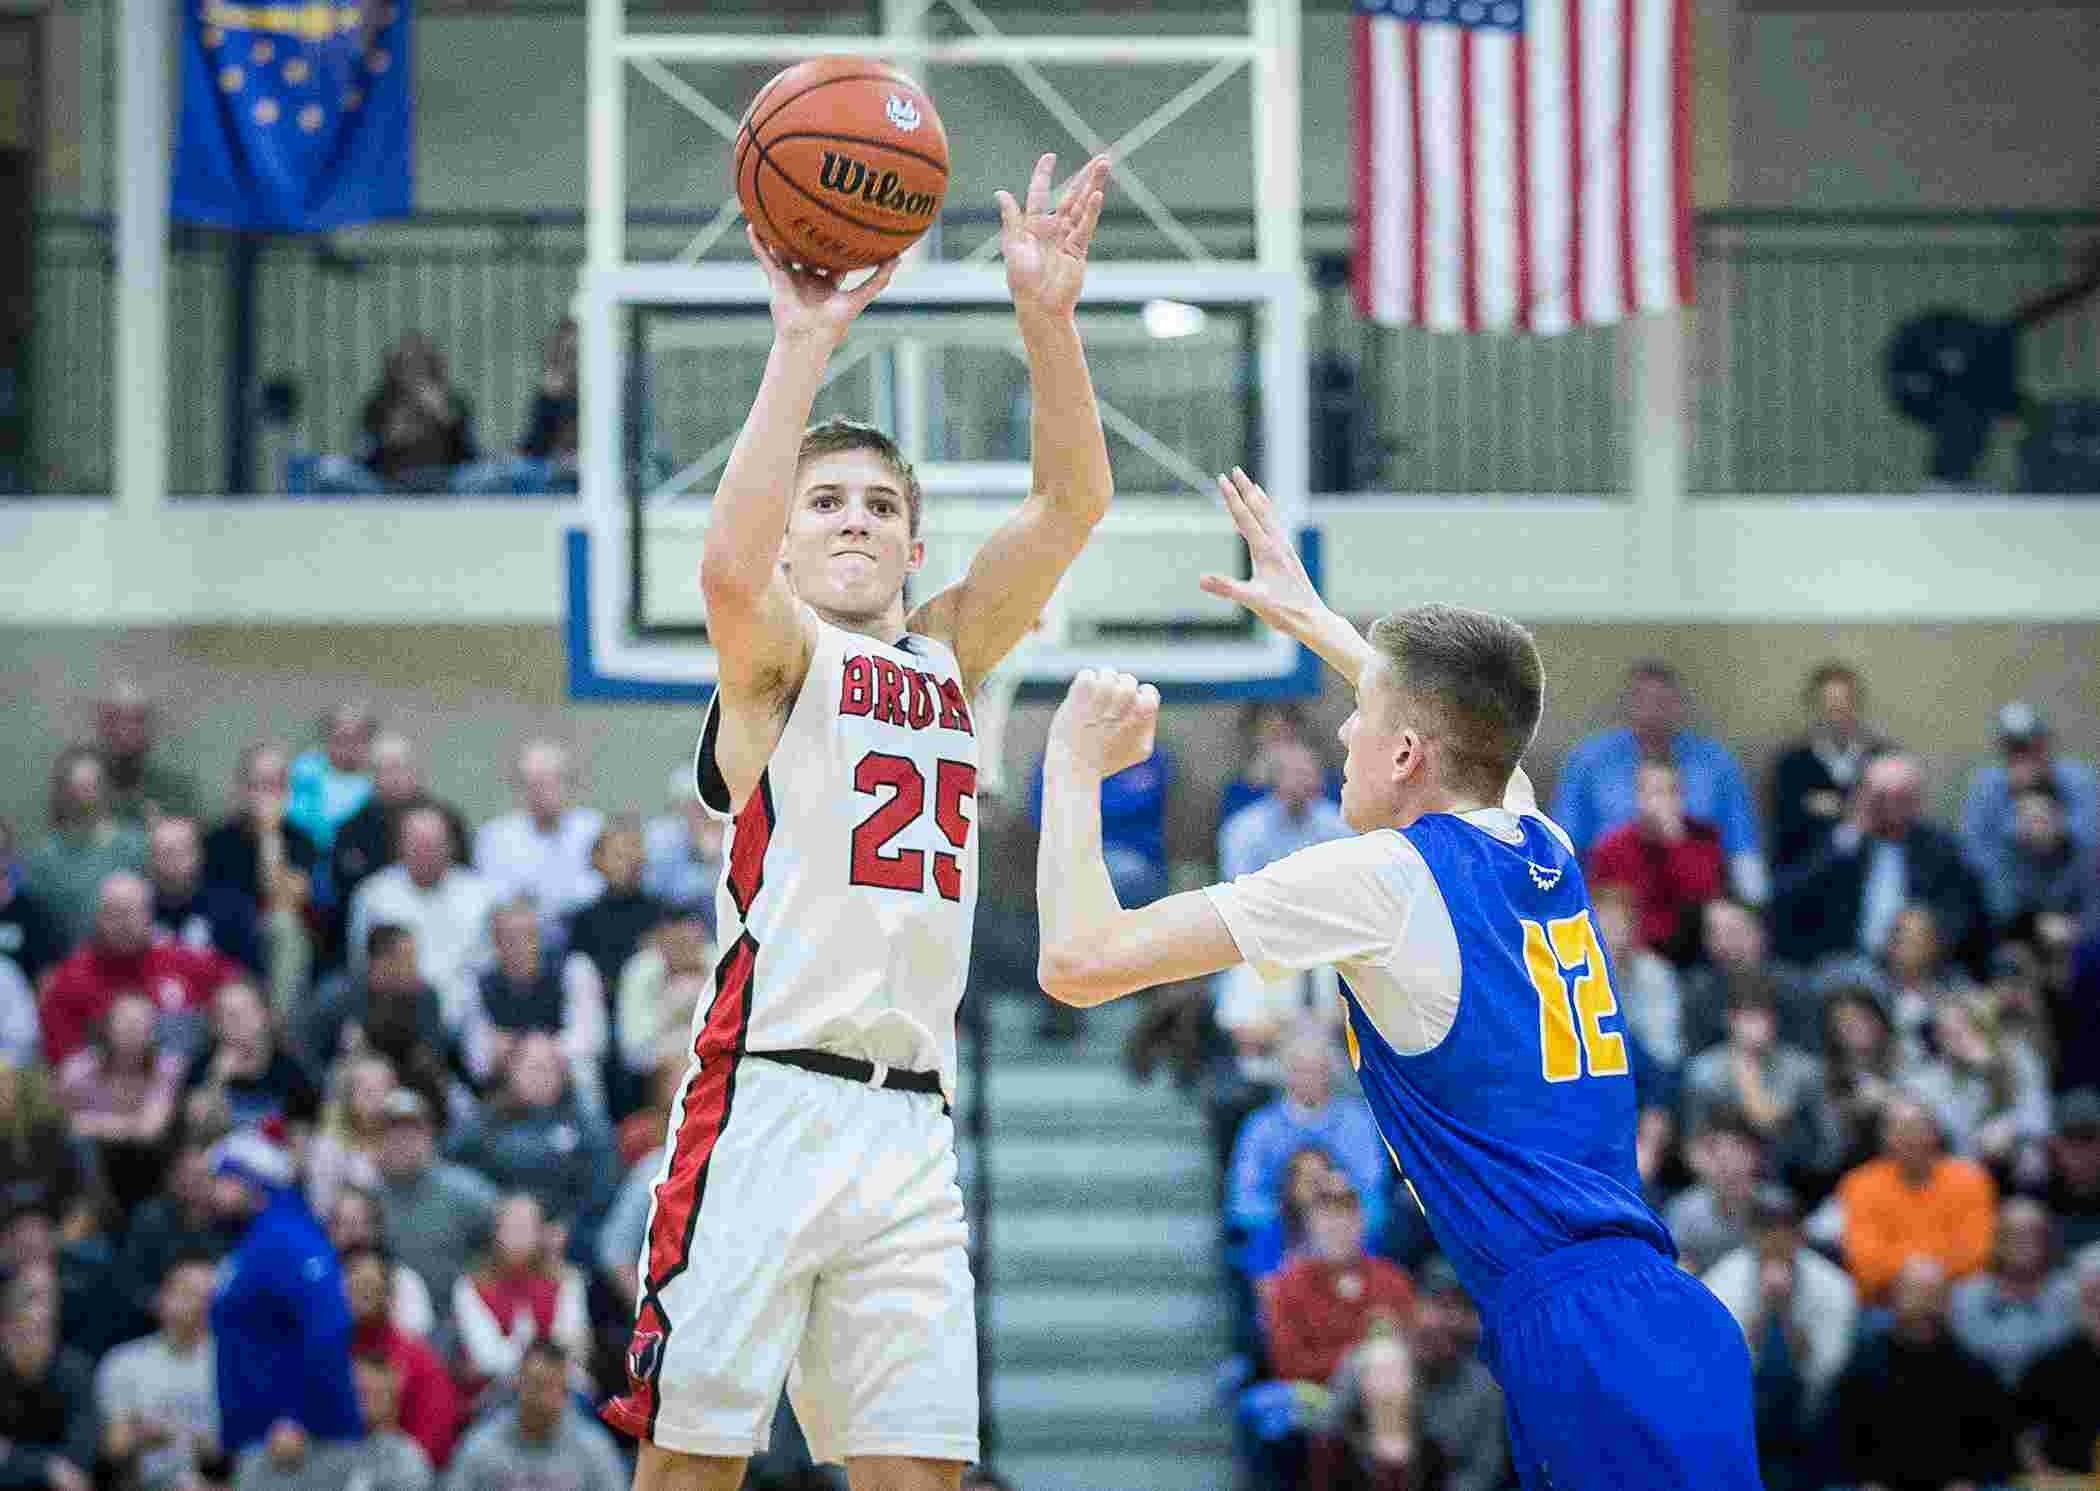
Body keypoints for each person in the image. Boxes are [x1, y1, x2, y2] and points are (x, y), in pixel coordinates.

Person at [1032, 468, 1759, 1490]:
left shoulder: (1383, 877)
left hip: (1586, 1335)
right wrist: (1316, 620)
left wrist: (1070, 770)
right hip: (1652, 1321)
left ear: (1407, 750)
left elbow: (1077, 962)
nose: (1340, 731)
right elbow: (1471, 739)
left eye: (1360, 715)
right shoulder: (1534, 832)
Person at [600, 150, 1116, 1491]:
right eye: (825, 501)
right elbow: (725, 562)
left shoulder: (950, 654)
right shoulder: (774, 656)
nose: (853, 519)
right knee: (690, 1469)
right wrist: (802, 343)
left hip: (910, 1123)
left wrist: (1047, 322)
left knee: (919, 1473)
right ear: (790, 537)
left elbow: (1071, 507)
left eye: (881, 505)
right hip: (762, 1097)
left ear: (913, 545)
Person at [1548, 662, 1765, 904]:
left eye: (1663, 702)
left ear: (1679, 706)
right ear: (1627, 706)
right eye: (1642, 701)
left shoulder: (1717, 762)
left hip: (1696, 893)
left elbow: (1742, 846)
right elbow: (1561, 842)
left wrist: (1754, 910)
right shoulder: (1589, 758)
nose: (1652, 712)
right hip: (1611, 894)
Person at [205, 1125, 361, 1459]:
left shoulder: (289, 1240)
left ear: (255, 1183)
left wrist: (299, 1419)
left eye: (223, 1181)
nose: (213, 1193)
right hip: (257, 1439)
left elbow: (329, 1329)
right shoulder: (252, 1242)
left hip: (301, 1445)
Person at [1772, 753, 1987, 973]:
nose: (1890, 810)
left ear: (1917, 802)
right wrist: (1849, 836)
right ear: (1861, 797)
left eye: (1901, 799)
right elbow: (1787, 898)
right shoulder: (1835, 840)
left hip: (1918, 970)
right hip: (1841, 964)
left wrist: (1927, 933)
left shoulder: (1940, 848)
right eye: (1881, 799)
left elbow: (1965, 913)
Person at [1821, 1255, 2017, 1491]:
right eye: (1915, 1294)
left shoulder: (1975, 1372)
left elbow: (1996, 1449)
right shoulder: (1862, 1367)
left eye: (1934, 1296)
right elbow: (1835, 1441)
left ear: (1947, 1303)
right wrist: (1863, 1481)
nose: (1924, 1306)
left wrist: (1971, 1480)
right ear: (1894, 1299)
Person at [38, 870, 242, 1065]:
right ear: (98, 918)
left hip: (184, 1086)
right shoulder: (72, 979)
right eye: (115, 914)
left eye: (133, 912)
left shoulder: (183, 960)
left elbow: (238, 991)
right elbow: (62, 1058)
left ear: (150, 916)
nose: (124, 924)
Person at [1836, 1093, 1997, 1305]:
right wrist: (1917, 1273)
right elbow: (1863, 1260)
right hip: (1886, 1300)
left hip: (1956, 1298)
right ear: (1885, 1138)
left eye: (1918, 1129)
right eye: (1899, 1130)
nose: (1910, 1138)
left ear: (1935, 1134)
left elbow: (1978, 1253)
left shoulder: (1971, 1179)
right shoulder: (1859, 1184)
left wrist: (1922, 1274)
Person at [346, 806, 497, 1029]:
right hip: (398, 1014)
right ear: (400, 847)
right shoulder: (373, 895)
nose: (426, 853)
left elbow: (491, 968)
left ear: (451, 847)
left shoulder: (481, 896)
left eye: (434, 845)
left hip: (468, 1016)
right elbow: (361, 964)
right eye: (418, 844)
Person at [1962, 700, 2100, 923]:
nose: (2023, 755)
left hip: (2076, 903)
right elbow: (1974, 855)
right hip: (2013, 910)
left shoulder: (2080, 780)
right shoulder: (1986, 786)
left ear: (2046, 743)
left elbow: (2092, 843)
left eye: (2031, 745)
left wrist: (2059, 831)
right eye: (2014, 748)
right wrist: (2016, 831)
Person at [95, 1252, 222, 1491]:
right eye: (187, 1293)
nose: (197, 1303)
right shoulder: (123, 1361)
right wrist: (142, 1436)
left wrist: (185, 1438)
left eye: (206, 1296)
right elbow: (114, 1446)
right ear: (161, 1298)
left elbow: (241, 1446)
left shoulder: (230, 1364)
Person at [1584, 759, 1726, 961]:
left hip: (1695, 951)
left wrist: (1675, 843)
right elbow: (1604, 910)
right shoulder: (1610, 847)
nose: (1660, 802)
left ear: (1681, 797)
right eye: (1652, 792)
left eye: (1670, 793)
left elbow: (1705, 904)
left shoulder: (1704, 838)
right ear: (1637, 798)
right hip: (1634, 952)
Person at [473, 740, 606, 952]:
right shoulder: (496, 836)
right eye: (534, 784)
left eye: (552, 782)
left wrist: (538, 899)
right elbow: (494, 896)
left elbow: (598, 888)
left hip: (584, 938)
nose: (543, 792)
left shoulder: (592, 828)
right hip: (518, 946)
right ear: (522, 788)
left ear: (568, 784)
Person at [372, 1087, 497, 1312]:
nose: (402, 1141)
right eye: (392, 1133)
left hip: (463, 1319)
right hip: (400, 1321)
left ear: (429, 1135)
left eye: (411, 1132)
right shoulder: (371, 1200)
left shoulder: (465, 1191)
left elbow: (507, 1235)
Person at [1768, 661, 1890, 874]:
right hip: (1807, 881)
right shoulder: (1790, 766)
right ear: (1813, 709)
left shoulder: (1883, 762)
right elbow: (1786, 833)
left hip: (1869, 879)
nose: (1836, 714)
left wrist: (1838, 807)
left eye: (1844, 704)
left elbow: (1892, 826)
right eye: (1828, 705)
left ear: (1857, 707)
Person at [455, 1340, 626, 1491]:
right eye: (536, 1385)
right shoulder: (481, 1447)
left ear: (566, 1391)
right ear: (517, 1386)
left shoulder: (594, 1450)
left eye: (551, 1387)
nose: (542, 1398)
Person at [26, 746, 149, 949]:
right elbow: (37, 927)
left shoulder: (136, 845)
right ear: (62, 792)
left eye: (92, 785)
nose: (83, 795)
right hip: (71, 969)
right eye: (75, 786)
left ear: (107, 788)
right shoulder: (43, 858)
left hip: (132, 963)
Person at [1949, 1196, 2078, 1389]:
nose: (2022, 1244)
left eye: (2032, 1235)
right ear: (1996, 1242)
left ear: (2047, 1241)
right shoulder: (1965, 1297)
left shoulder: (2071, 1295)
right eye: (2012, 1235)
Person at [0, 1267, 99, 1491]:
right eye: (25, 1332)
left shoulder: (76, 1370)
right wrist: (46, 1466)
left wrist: (13, 1457)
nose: (36, 1342)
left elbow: (81, 1456)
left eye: (44, 1332)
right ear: (5, 1331)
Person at [2014, 1250, 2100, 1481]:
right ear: (2077, 1301)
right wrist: (2042, 1474)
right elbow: (2022, 1434)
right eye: (2092, 1297)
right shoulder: (2048, 1364)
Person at [147, 813, 264, 974]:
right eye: (164, 853)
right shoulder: (137, 911)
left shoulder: (232, 908)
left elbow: (247, 978)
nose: (173, 861)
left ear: (198, 855)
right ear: (150, 859)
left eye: (181, 851)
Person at [95, 680, 203, 829]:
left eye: (135, 721)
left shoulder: (174, 787)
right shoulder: (85, 783)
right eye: (113, 720)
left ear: (150, 727)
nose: (123, 731)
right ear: (101, 726)